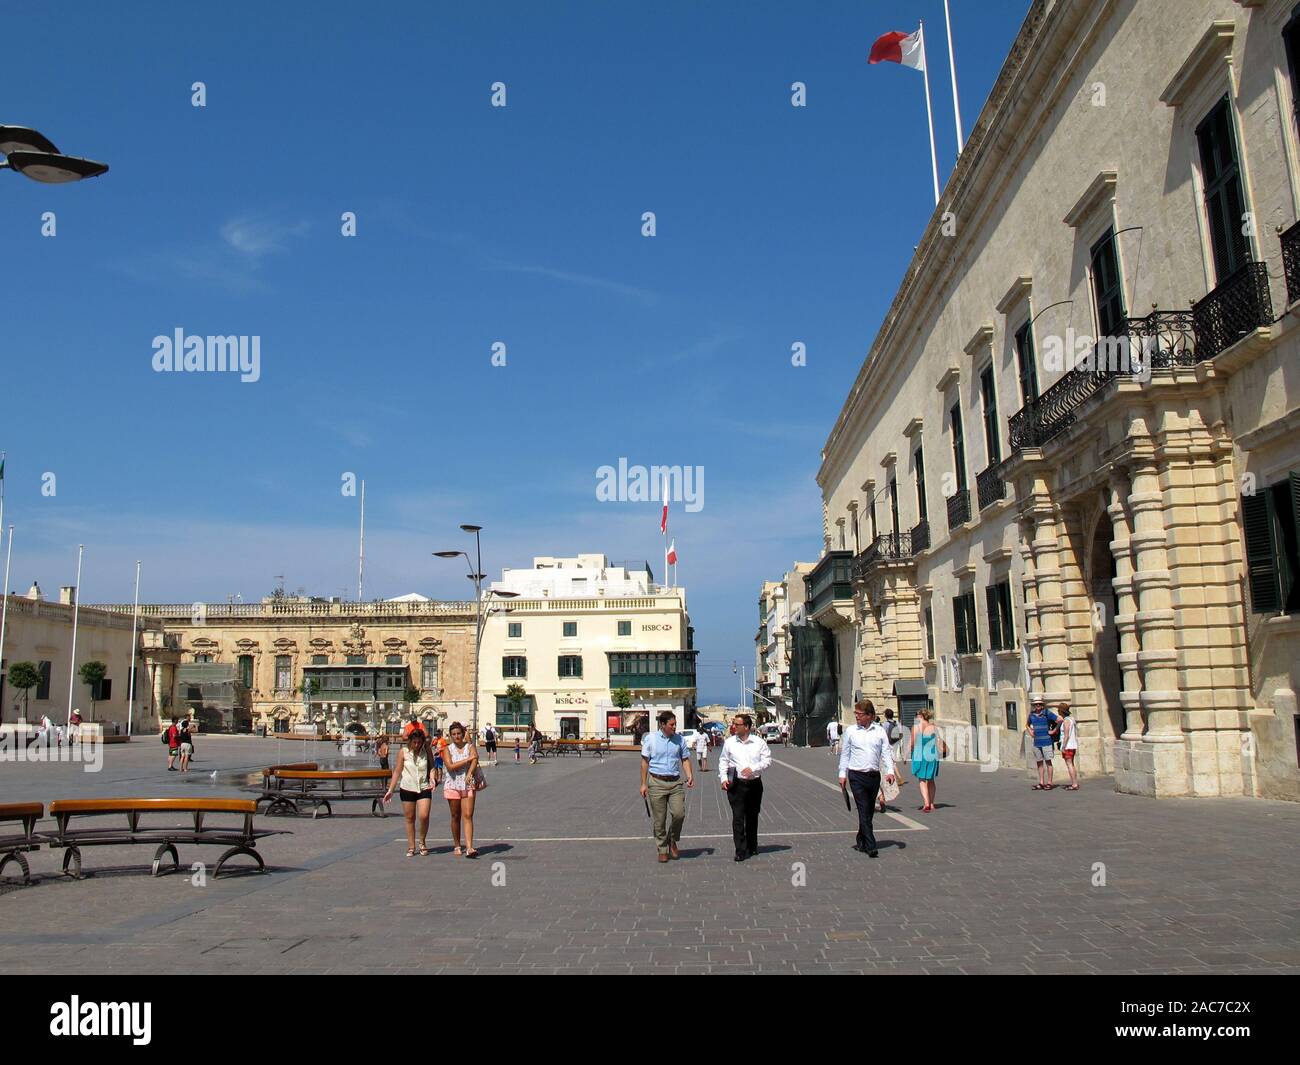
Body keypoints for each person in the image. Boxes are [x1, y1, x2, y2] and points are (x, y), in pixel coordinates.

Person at [838, 700, 896, 857]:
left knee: (869, 810)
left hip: (873, 776)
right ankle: (871, 845)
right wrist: (842, 774)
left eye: (860, 714)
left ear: (870, 715)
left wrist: (890, 771)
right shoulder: (851, 731)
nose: (856, 716)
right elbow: (845, 754)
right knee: (863, 810)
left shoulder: (879, 731)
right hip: (856, 776)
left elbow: (886, 752)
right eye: (855, 714)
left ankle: (861, 839)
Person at [639, 711, 695, 863]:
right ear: (662, 725)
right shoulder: (651, 739)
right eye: (671, 724)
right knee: (660, 819)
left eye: (675, 724)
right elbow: (645, 762)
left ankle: (672, 839)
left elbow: (685, 759)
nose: (674, 727)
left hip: (675, 782)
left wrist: (689, 775)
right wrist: (643, 783)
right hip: (656, 782)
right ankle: (662, 849)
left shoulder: (679, 740)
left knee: (679, 814)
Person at [719, 713, 772, 861]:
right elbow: (723, 761)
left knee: (752, 815)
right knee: (738, 817)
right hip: (736, 784)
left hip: (754, 784)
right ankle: (740, 849)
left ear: (747, 727)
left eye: (737, 724)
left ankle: (752, 845)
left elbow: (767, 760)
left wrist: (754, 768)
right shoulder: (730, 743)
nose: (734, 726)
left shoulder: (758, 742)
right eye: (734, 724)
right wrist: (723, 778)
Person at [382, 728, 434, 856]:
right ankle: (411, 846)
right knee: (410, 818)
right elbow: (398, 771)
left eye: (419, 742)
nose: (417, 745)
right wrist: (390, 790)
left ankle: (422, 841)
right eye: (414, 742)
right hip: (407, 787)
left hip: (424, 787)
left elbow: (432, 766)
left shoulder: (426, 751)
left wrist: (432, 778)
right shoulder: (403, 752)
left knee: (424, 816)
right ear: (410, 741)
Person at [442, 722, 481, 857]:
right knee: (455, 816)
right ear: (450, 735)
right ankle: (457, 844)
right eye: (454, 734)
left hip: (467, 784)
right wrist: (467, 760)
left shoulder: (470, 747)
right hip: (453, 785)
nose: (457, 736)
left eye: (459, 733)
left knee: (468, 815)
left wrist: (470, 773)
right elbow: (450, 766)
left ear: (463, 734)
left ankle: (469, 847)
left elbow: (475, 759)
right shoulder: (447, 749)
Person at [910, 707, 946, 811]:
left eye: (916, 716)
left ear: (920, 716)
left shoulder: (916, 727)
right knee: (931, 779)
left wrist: (908, 753)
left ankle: (926, 803)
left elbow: (912, 743)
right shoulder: (933, 727)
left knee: (922, 779)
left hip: (920, 754)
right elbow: (938, 740)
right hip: (932, 754)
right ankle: (932, 804)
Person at [1025, 699, 1061, 790]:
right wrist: (1031, 732)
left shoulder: (1046, 713)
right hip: (1037, 742)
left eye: (1039, 704)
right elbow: (1027, 724)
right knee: (1039, 763)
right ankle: (1041, 782)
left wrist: (1053, 731)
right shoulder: (1031, 715)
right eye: (1036, 704)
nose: (1038, 705)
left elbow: (1059, 720)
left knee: (1048, 762)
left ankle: (1049, 783)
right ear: (1034, 705)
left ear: (1042, 705)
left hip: (1047, 742)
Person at [879, 708, 907, 812]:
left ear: (886, 715)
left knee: (891, 762)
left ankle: (899, 778)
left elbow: (883, 736)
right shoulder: (897, 723)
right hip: (896, 744)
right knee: (893, 761)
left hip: (888, 745)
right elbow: (901, 733)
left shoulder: (885, 725)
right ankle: (899, 777)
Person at [1059, 704, 1080, 790]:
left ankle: (1074, 784)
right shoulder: (1072, 719)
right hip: (1073, 745)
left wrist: (1063, 746)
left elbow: (1066, 735)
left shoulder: (1066, 721)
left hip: (1068, 746)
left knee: (1069, 764)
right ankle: (1075, 782)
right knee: (1072, 764)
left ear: (1061, 711)